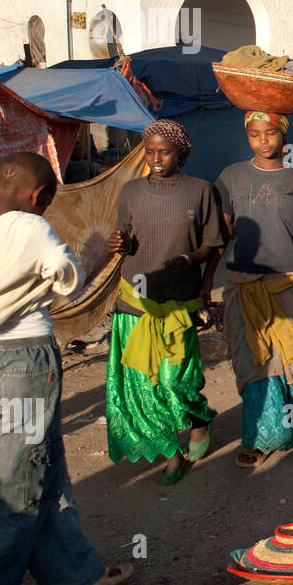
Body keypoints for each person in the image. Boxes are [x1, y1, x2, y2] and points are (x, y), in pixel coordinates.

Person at [0, 152, 131, 585]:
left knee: (37, 466)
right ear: (40, 197)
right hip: (24, 361)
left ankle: (75, 577)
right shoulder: (31, 229)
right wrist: (93, 256)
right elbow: (69, 282)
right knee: (18, 488)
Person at [106, 119, 222, 484]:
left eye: (165, 151)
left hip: (177, 305)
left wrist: (192, 261)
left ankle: (199, 419)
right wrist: (119, 244)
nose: (156, 158)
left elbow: (214, 245)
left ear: (181, 153)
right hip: (135, 302)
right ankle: (171, 451)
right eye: (150, 151)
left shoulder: (201, 191)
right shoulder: (131, 191)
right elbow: (122, 235)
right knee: (141, 384)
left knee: (176, 381)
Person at [215, 112, 293, 469]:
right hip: (242, 282)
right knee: (252, 362)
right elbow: (220, 236)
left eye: (269, 133)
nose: (262, 141)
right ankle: (259, 438)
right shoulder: (231, 177)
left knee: (286, 356)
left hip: (287, 278)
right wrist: (204, 280)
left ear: (282, 135)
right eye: (253, 134)